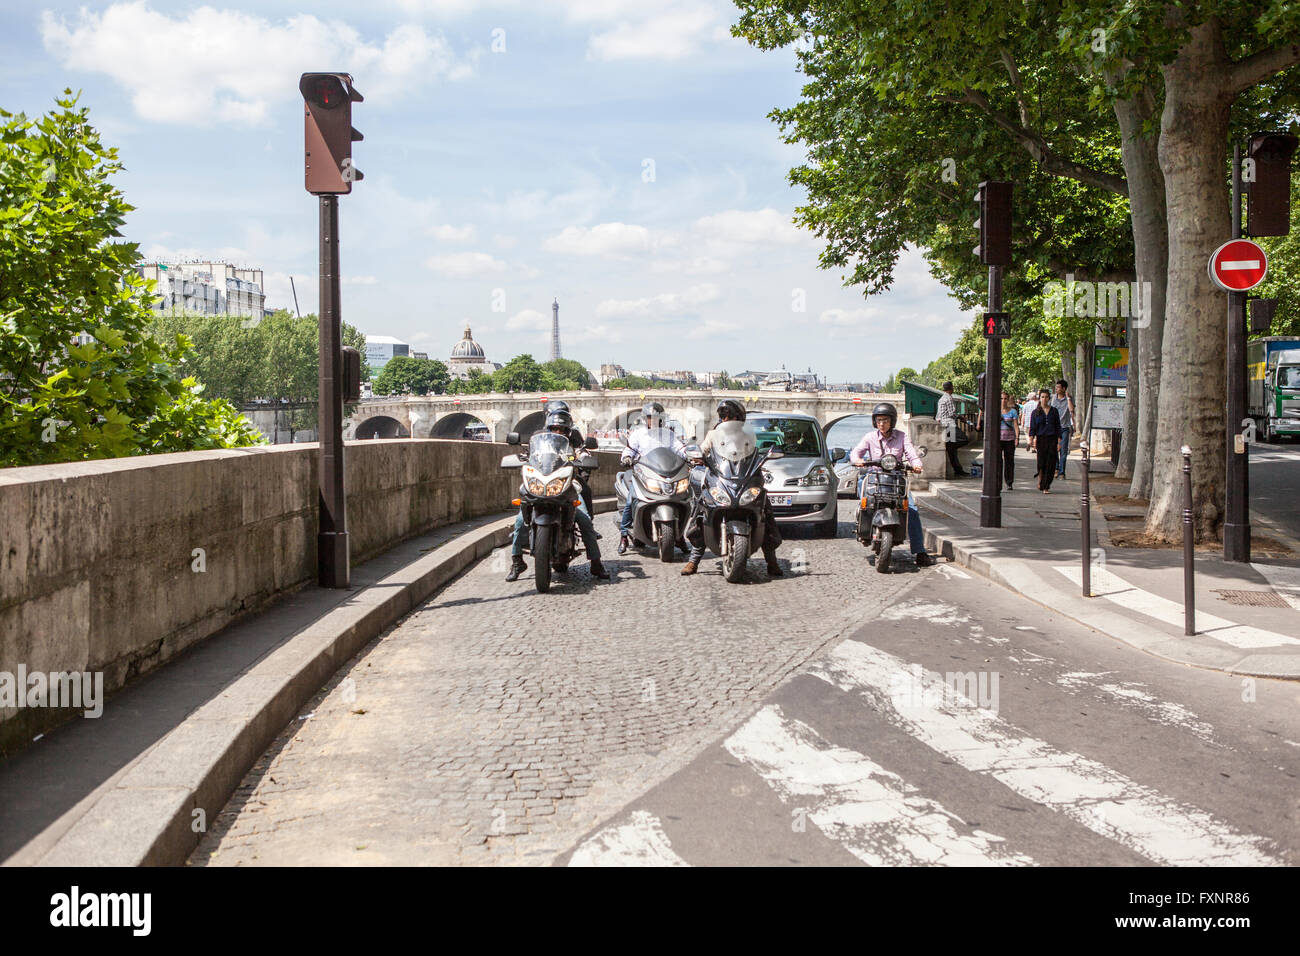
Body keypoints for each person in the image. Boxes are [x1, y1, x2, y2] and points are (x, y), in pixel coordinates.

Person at [681, 399, 783, 577]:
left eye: (730, 416)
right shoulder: (713, 435)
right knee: (700, 508)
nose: (726, 419)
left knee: (765, 511)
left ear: (739, 418)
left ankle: (771, 560)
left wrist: (762, 459)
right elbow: (704, 450)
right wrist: (698, 457)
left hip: (744, 478)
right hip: (721, 477)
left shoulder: (749, 436)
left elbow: (754, 454)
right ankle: (694, 559)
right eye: (724, 416)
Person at [505, 410, 611, 581]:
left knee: (584, 519)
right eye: (555, 428)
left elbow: (584, 453)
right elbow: (530, 454)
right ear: (549, 427)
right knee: (519, 521)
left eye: (562, 429)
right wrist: (524, 457)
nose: (558, 432)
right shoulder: (538, 438)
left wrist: (582, 457)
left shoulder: (575, 439)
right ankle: (517, 561)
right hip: (541, 481)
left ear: (568, 430)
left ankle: (596, 563)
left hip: (566, 483)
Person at [849, 403, 933, 567]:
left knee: (912, 511)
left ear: (892, 421)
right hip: (875, 478)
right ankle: (862, 527)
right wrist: (857, 460)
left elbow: (911, 454)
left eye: (885, 420)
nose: (882, 424)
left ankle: (920, 551)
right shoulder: (869, 437)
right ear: (875, 422)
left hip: (896, 480)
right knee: (864, 501)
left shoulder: (902, 437)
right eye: (879, 420)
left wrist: (917, 464)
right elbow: (856, 452)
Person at [618, 401, 685, 554]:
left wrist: (689, 455)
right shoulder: (638, 434)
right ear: (645, 419)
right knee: (631, 500)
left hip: (666, 474)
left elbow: (679, 448)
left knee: (682, 498)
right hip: (644, 475)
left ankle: (679, 535)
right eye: (650, 418)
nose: (652, 421)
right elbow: (629, 450)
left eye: (655, 418)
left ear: (662, 419)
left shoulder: (669, 435)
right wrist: (627, 458)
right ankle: (623, 535)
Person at [1027, 388, 1062, 494]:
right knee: (1041, 463)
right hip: (1041, 439)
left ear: (1049, 398)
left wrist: (1059, 442)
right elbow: (1032, 428)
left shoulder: (1054, 411)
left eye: (1046, 397)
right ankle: (1041, 479)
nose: (1044, 399)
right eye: (1042, 397)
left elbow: (1058, 427)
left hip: (1052, 439)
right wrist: (1031, 440)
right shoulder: (1035, 412)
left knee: (1051, 463)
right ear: (1039, 398)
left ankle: (1046, 486)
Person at [937, 381, 968, 477]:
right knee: (964, 439)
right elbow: (951, 413)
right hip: (949, 425)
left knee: (952, 452)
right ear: (951, 388)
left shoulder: (941, 399)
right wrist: (960, 417)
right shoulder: (948, 398)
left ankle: (958, 470)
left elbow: (938, 415)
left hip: (943, 424)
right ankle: (951, 446)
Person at [1051, 379, 1076, 478]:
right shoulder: (1053, 398)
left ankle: (1062, 472)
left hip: (1065, 428)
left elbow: (1071, 410)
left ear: (1064, 389)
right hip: (1054, 428)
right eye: (1056, 387)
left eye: (1058, 387)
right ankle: (1056, 468)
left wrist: (1068, 398)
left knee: (1063, 451)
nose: (1056, 389)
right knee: (1054, 450)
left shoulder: (1069, 399)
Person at [998, 391, 1020, 490]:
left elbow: (1016, 425)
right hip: (998, 440)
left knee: (1009, 462)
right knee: (998, 462)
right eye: (1001, 399)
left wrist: (1017, 438)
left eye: (1005, 399)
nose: (1003, 401)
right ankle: (997, 482)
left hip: (1009, 439)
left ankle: (1009, 482)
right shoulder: (995, 411)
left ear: (1008, 400)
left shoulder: (1013, 412)